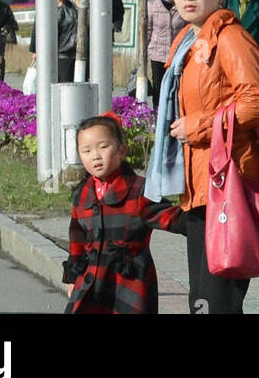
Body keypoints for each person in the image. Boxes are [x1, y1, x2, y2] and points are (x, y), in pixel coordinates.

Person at [166, 0, 259, 315]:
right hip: (198, 187)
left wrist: (200, 125)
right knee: (203, 299)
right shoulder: (187, 41)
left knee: (216, 301)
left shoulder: (229, 38)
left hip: (226, 185)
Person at [63, 112, 186, 314]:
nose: (95, 156)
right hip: (91, 280)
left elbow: (171, 218)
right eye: (86, 151)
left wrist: (202, 215)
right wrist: (73, 275)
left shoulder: (138, 191)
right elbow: (76, 235)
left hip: (128, 280)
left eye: (103, 147)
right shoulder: (82, 193)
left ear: (121, 150)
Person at [28, 0, 79, 83]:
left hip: (66, 52)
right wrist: (35, 50)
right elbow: (37, 28)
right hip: (47, 52)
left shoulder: (71, 7)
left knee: (65, 83)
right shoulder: (46, 6)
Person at [146, 0, 185, 110]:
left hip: (176, 54)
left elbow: (187, 28)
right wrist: (145, 50)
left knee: (176, 85)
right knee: (159, 86)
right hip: (157, 54)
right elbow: (148, 29)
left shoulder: (181, 6)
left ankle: (174, 112)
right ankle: (158, 112)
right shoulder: (152, 6)